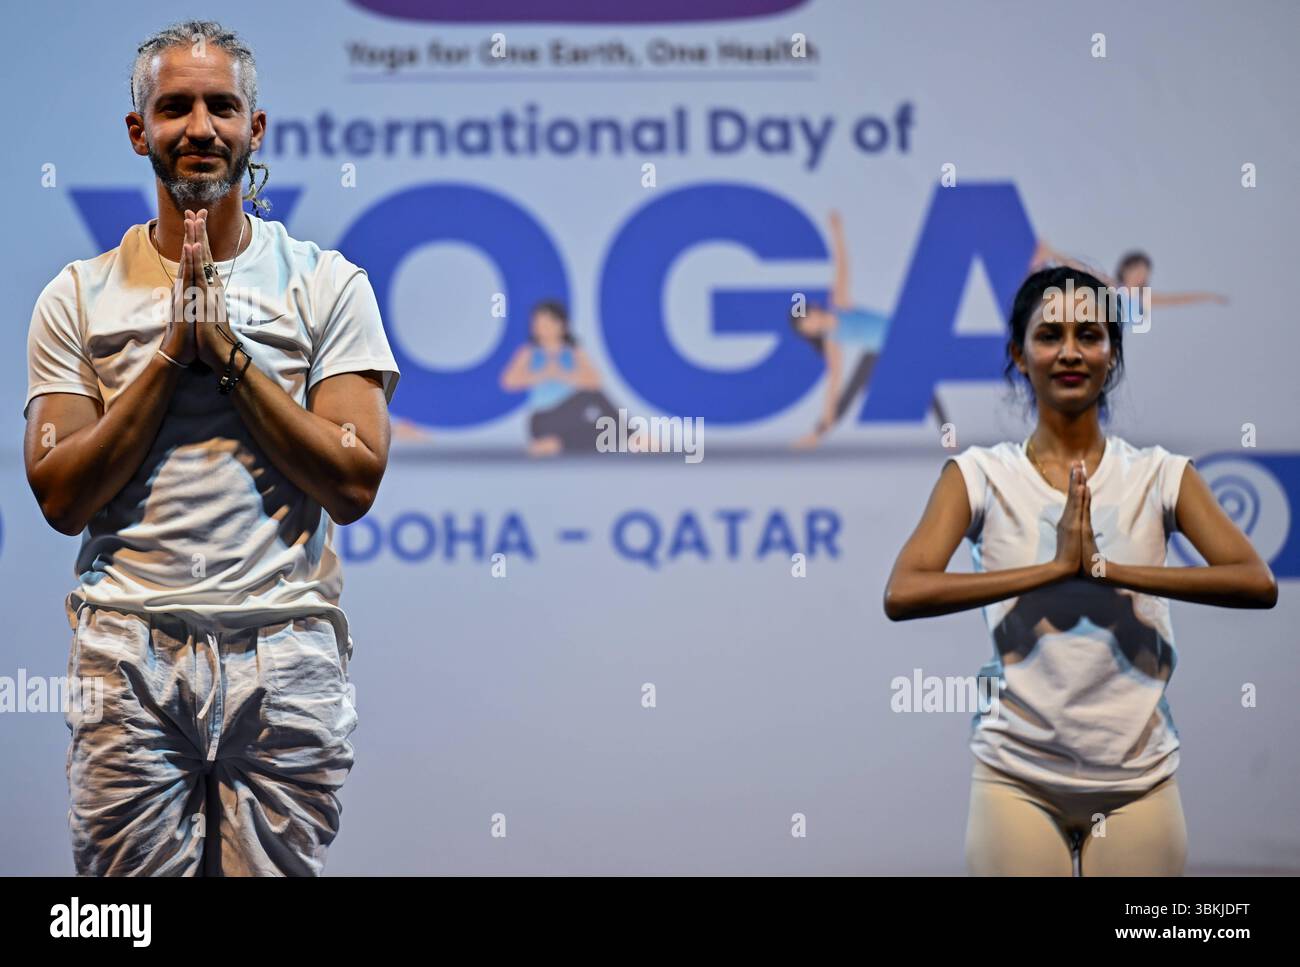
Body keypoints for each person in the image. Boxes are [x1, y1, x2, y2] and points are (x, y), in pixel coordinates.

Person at [22, 21, 401, 875]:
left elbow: (354, 479)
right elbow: (57, 495)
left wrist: (228, 356)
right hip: (127, 648)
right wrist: (168, 356)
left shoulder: (327, 285)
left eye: (221, 106)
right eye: (175, 107)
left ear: (254, 128)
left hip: (287, 645)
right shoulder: (75, 296)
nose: (200, 127)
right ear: (139, 131)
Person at [882, 265, 1277, 876]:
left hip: (1136, 780)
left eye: (1089, 335)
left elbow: (1256, 582)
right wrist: (1052, 569)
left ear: (1111, 355)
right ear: (1019, 354)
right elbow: (903, 591)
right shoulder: (979, 475)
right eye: (1050, 335)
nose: (1070, 351)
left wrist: (1105, 569)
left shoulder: (1160, 474)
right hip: (1016, 777)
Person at [790, 211, 947, 449]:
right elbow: (834, 380)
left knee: (921, 382)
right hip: (882, 352)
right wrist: (829, 412)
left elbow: (842, 265)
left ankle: (947, 430)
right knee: (855, 384)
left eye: (806, 318)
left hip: (902, 336)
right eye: (806, 328)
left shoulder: (839, 303)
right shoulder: (832, 341)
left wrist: (837, 232)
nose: (810, 324)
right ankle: (819, 432)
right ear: (809, 333)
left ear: (812, 311)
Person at [499, 299, 622, 456]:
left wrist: (563, 375)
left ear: (560, 324)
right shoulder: (530, 352)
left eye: (546, 323)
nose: (541, 328)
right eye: (537, 323)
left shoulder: (573, 351)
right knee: (594, 404)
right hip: (544, 417)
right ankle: (630, 434)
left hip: (571, 415)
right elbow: (508, 381)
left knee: (598, 424)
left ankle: (558, 443)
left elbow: (595, 381)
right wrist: (542, 375)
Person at [1032, 242, 1228, 328]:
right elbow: (1082, 269)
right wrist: (1053, 254)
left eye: (1144, 273)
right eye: (1137, 270)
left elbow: (1178, 300)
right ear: (1126, 269)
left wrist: (1209, 297)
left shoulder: (1143, 299)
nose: (1140, 276)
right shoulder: (1112, 286)